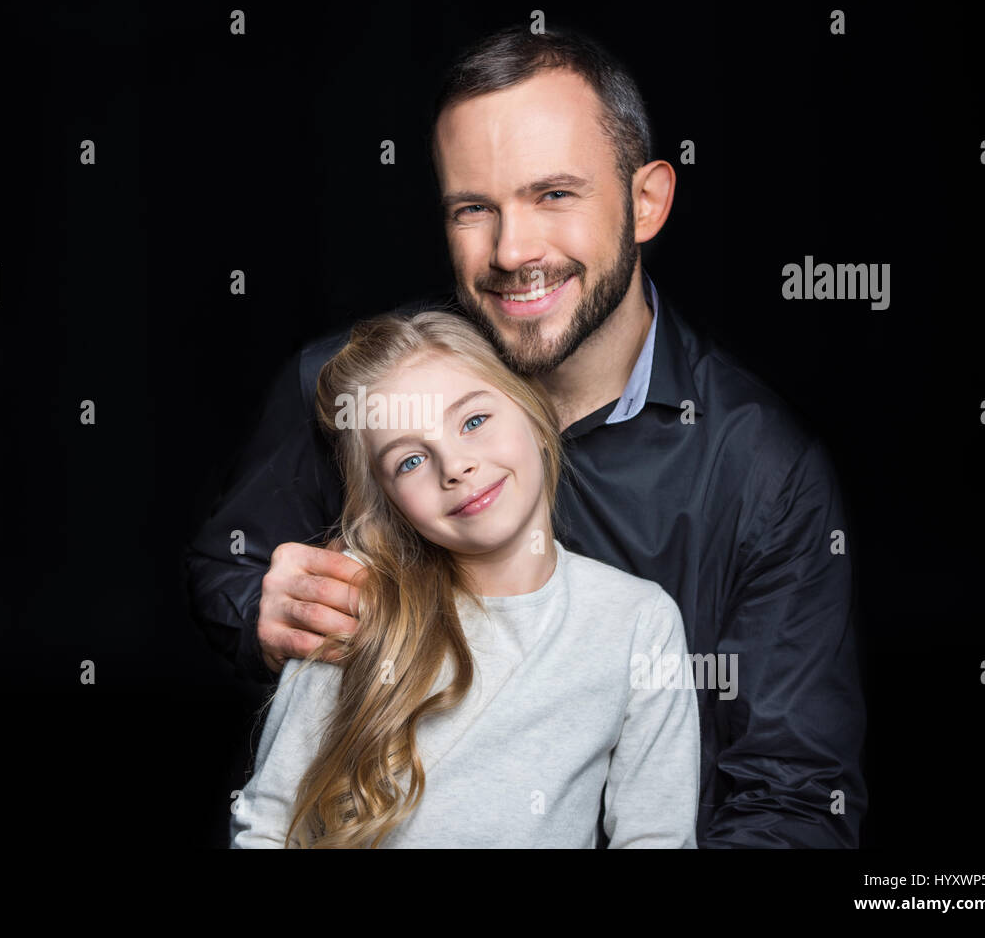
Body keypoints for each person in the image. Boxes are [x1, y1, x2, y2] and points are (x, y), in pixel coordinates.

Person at [189, 23, 866, 847]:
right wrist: (261, 608)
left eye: (554, 194)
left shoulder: (764, 469)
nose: (514, 251)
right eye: (474, 208)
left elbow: (794, 800)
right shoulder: (346, 391)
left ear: (646, 200)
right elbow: (229, 562)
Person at [230, 310, 699, 847]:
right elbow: (267, 827)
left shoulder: (638, 621)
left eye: (474, 421)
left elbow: (656, 836)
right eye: (409, 461)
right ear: (390, 505)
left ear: (533, 413)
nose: (453, 466)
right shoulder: (357, 603)